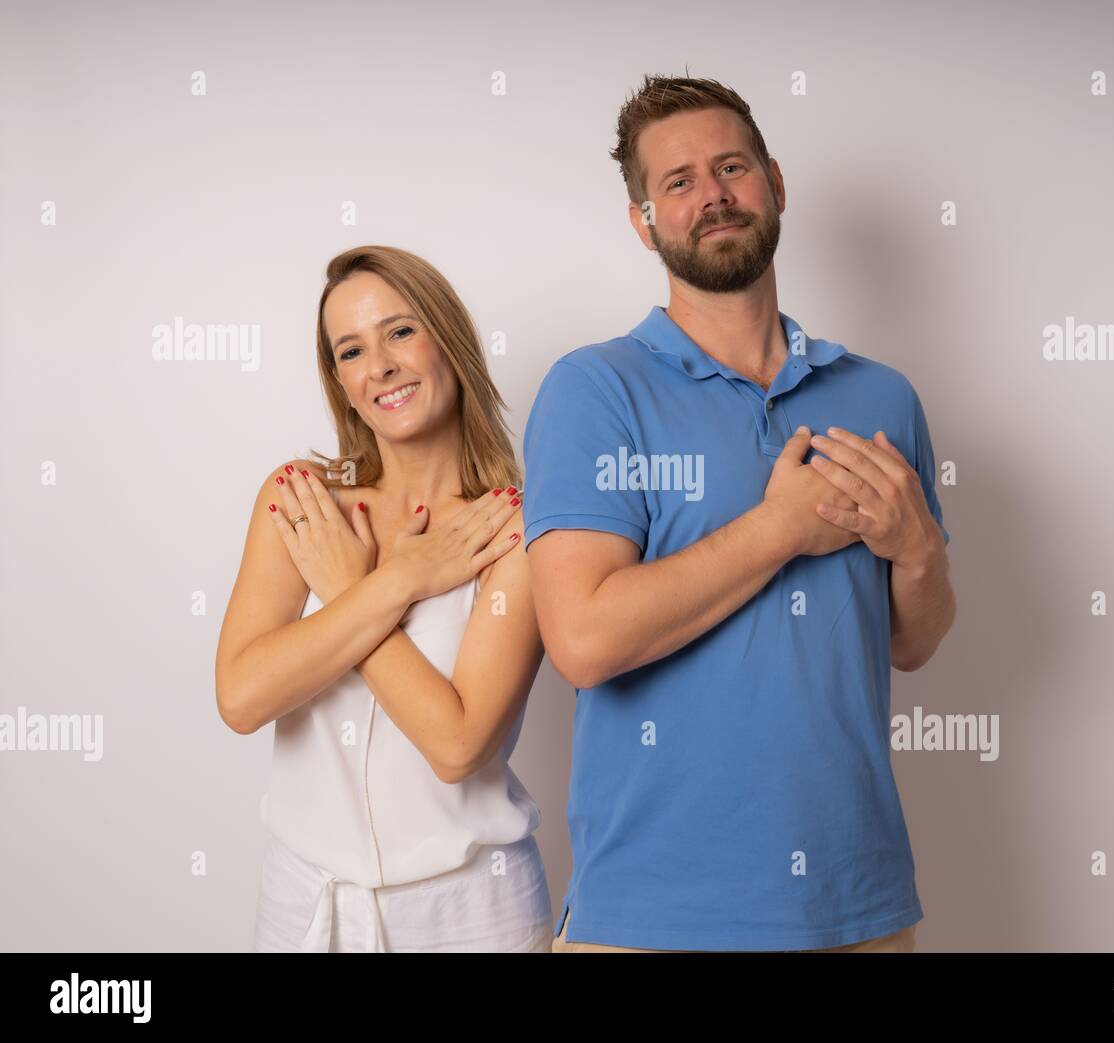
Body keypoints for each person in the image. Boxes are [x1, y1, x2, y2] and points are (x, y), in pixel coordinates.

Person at [522, 75, 956, 953]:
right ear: (644, 221)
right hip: (652, 920)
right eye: (677, 182)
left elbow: (913, 640)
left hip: (858, 907)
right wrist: (781, 527)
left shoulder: (881, 395)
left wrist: (915, 552)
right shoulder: (595, 389)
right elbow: (583, 638)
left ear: (776, 183)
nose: (712, 194)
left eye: (731, 166)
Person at [215, 245, 551, 951]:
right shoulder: (302, 500)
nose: (381, 367)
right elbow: (243, 696)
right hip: (305, 905)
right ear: (339, 380)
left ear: (448, 339)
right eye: (351, 350)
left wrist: (345, 591)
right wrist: (398, 582)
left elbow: (458, 744)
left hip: (474, 915)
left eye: (400, 331)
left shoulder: (511, 524)